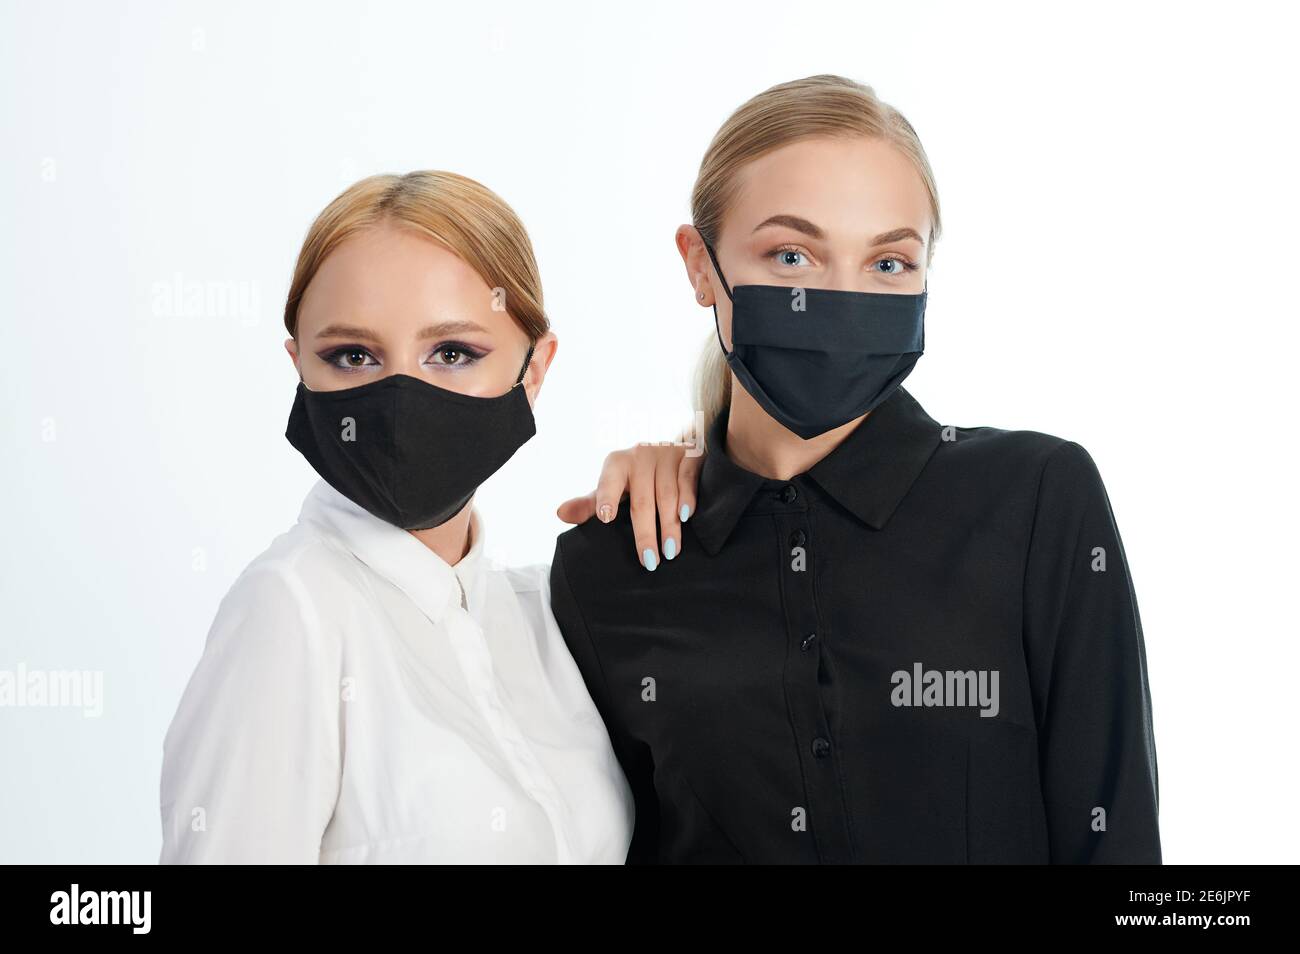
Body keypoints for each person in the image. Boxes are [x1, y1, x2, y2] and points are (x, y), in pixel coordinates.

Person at [549, 75, 1161, 864]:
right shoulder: (611, 563)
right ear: (700, 265)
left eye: (888, 264)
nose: (838, 300)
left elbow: (1117, 841)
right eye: (793, 254)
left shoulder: (1039, 499)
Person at [159, 171, 699, 863]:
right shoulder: (291, 612)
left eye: (451, 353)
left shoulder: (549, 614)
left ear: (534, 372)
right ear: (299, 366)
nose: (401, 397)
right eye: (352, 356)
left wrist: (696, 465)